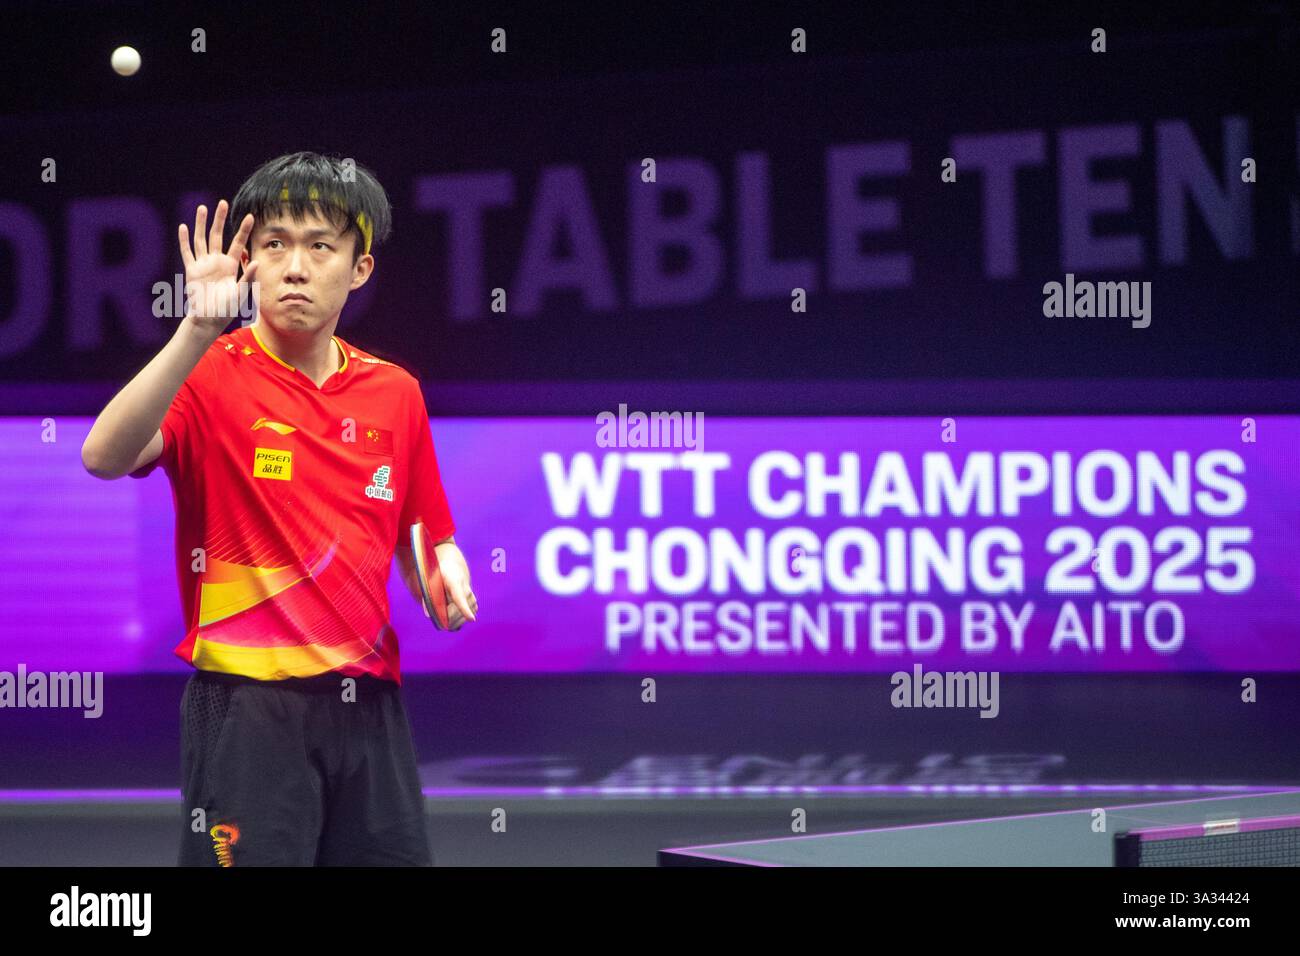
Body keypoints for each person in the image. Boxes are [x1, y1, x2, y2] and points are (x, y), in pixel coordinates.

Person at [80, 151, 477, 866]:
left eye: (319, 246)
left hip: (369, 709)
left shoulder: (397, 394)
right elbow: (103, 457)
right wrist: (194, 331)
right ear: (249, 263)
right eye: (274, 245)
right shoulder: (208, 372)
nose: (295, 267)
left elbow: (426, 541)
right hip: (246, 709)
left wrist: (444, 577)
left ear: (358, 269)